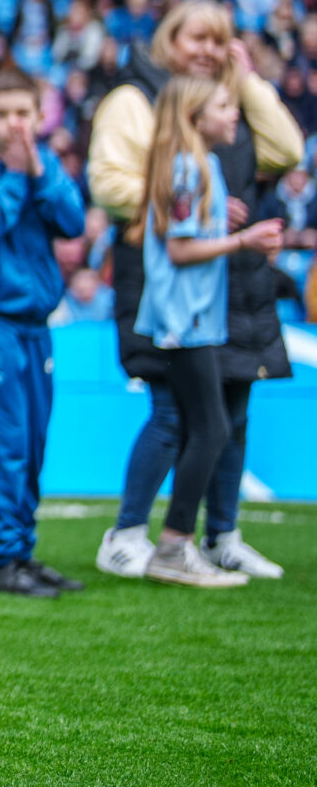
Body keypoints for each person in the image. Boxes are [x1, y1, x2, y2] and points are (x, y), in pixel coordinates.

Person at [86, 0, 300, 581]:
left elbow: (287, 151)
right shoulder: (142, 109)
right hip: (172, 292)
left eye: (219, 40)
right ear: (167, 40)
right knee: (177, 416)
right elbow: (111, 183)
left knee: (230, 413)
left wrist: (248, 78)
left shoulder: (216, 124)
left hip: (226, 293)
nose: (207, 50)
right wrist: (204, 216)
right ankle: (136, 533)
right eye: (196, 37)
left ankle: (216, 535)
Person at [130, 76, 284, 588]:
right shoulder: (187, 167)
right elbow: (179, 250)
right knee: (212, 429)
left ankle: (177, 545)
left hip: (195, 321)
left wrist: (232, 227)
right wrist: (242, 242)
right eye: (224, 106)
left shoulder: (203, 166)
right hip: (185, 323)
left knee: (209, 428)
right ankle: (174, 547)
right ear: (196, 114)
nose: (233, 114)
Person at [0, 66, 87, 598]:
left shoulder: (43, 164)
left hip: (36, 328)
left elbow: (73, 221)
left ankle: (23, 553)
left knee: (33, 443)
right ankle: (3, 562)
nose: (14, 125)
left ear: (40, 116)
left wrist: (37, 172)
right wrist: (12, 175)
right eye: (2, 114)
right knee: (5, 444)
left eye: (23, 113)